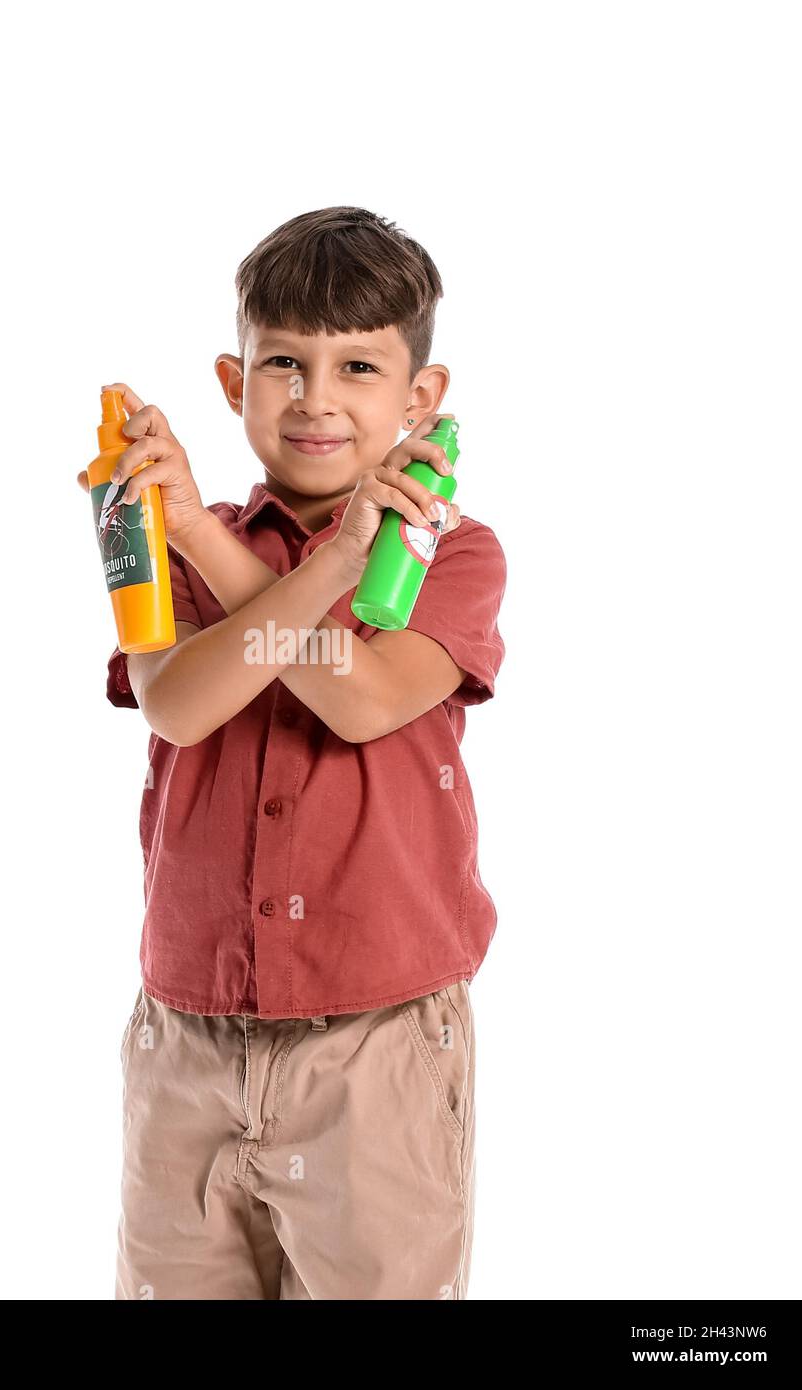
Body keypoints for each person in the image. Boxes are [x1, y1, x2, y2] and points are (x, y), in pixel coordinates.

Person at [85, 207, 507, 1300]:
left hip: (372, 1045)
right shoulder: (177, 541)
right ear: (234, 382)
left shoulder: (448, 556)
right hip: (185, 1035)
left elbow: (360, 700)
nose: (315, 398)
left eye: (357, 366)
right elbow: (179, 700)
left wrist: (234, 549)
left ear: (420, 398)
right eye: (284, 362)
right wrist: (198, 534)